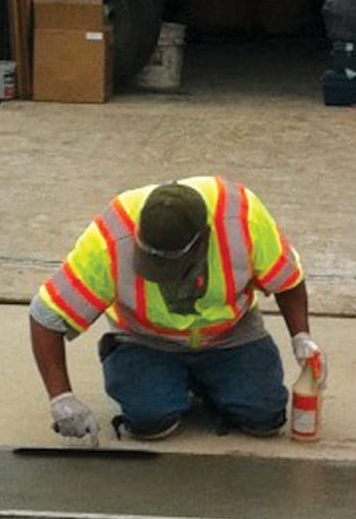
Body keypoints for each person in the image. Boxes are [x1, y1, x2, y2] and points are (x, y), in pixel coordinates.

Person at [28, 177, 322, 442]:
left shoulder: (242, 216)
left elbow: (288, 278)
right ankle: (173, 382)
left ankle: (204, 382)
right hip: (144, 339)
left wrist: (302, 337)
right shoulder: (111, 237)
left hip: (231, 334)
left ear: (203, 241)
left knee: (265, 419)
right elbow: (46, 315)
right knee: (149, 422)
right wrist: (61, 398)